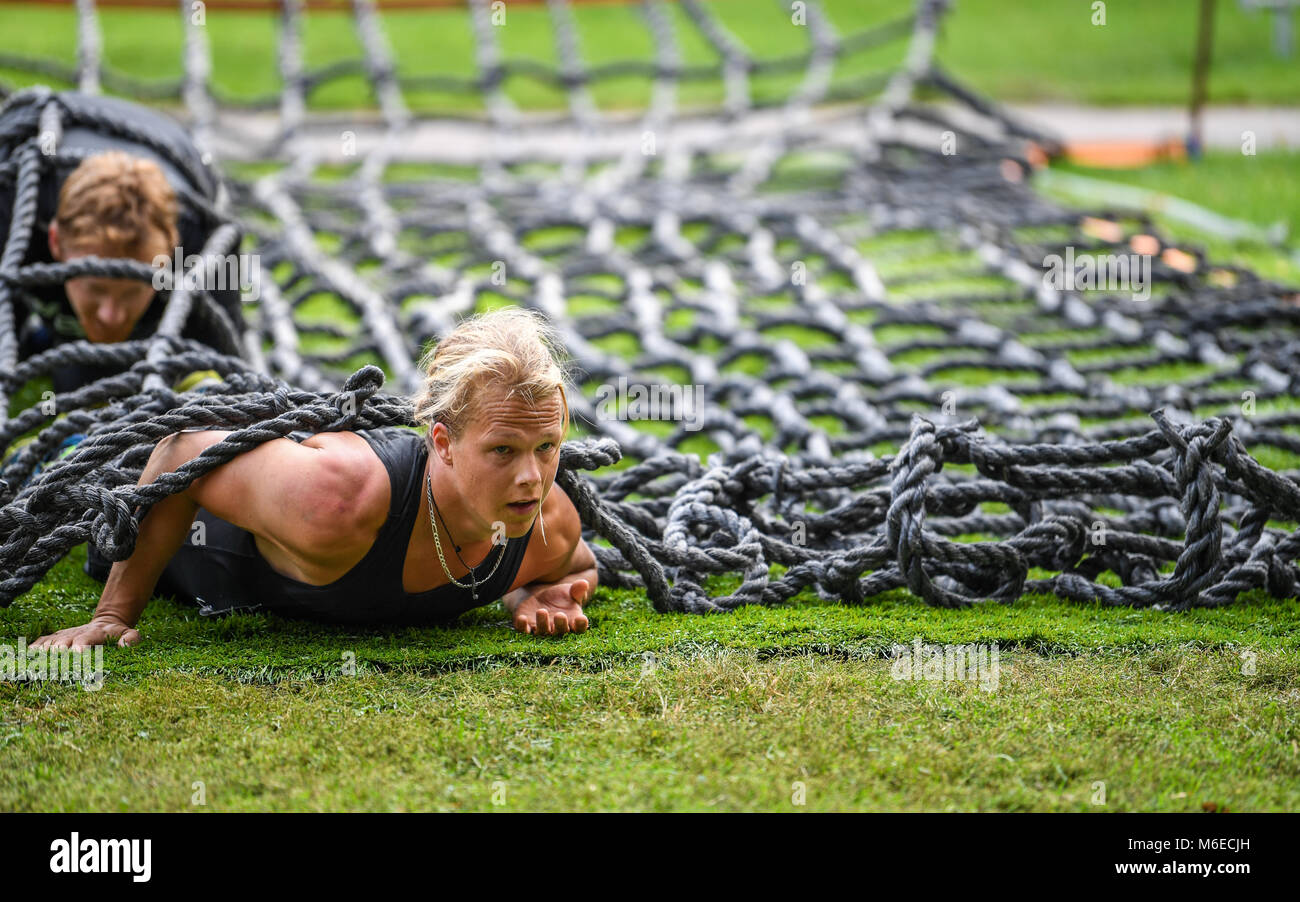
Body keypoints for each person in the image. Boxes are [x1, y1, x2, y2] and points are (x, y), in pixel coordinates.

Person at [31, 307, 599, 648]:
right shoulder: (339, 502)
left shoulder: (544, 519)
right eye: (503, 449)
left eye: (546, 447)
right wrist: (112, 616)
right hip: (144, 504)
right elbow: (180, 451)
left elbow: (579, 564)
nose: (531, 477)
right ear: (443, 443)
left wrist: (538, 593)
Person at [0, 91, 244, 394]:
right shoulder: (13, 210)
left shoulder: (202, 240)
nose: (110, 314)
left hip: (176, 159)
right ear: (55, 241)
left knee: (127, 377)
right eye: (96, 288)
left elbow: (227, 362)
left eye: (131, 291)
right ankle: (39, 333)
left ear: (168, 252)